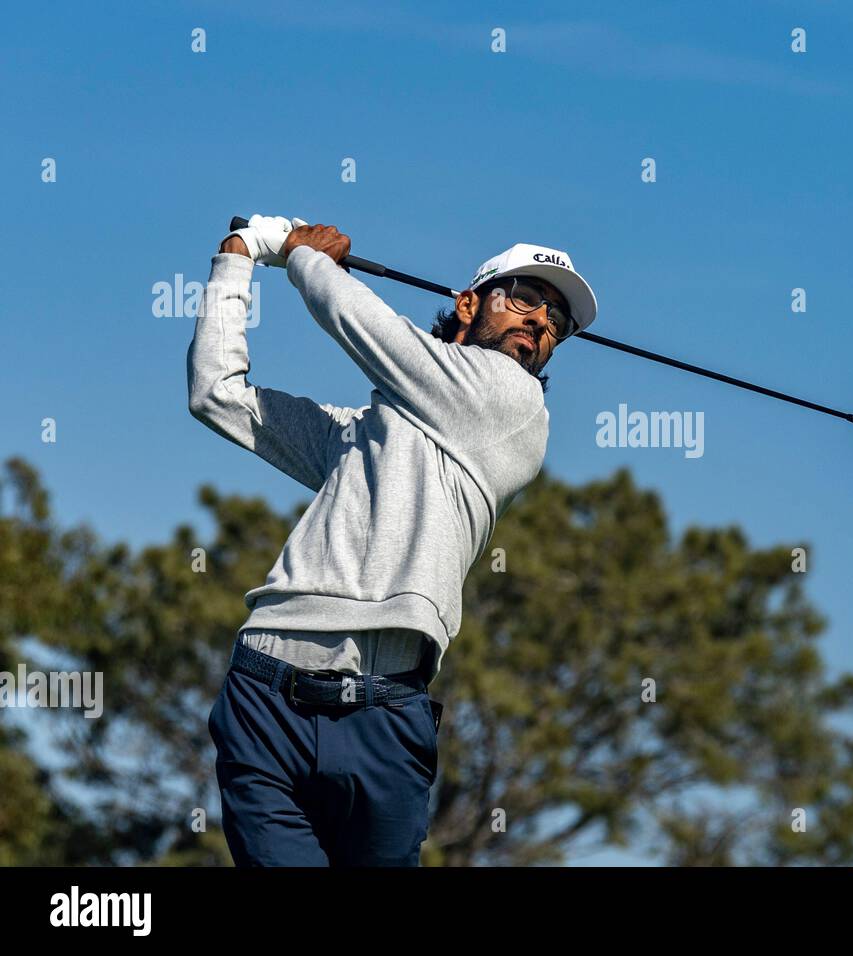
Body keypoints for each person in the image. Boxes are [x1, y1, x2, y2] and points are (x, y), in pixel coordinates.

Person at [187, 214, 598, 866]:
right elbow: (217, 395)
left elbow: (373, 333)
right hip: (264, 696)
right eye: (526, 297)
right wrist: (237, 261)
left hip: (384, 718)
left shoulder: (517, 407)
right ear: (470, 302)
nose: (542, 322)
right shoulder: (358, 434)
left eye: (558, 321)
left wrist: (299, 255)